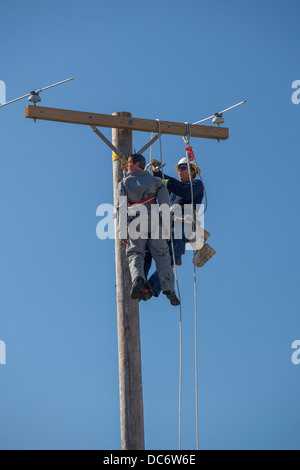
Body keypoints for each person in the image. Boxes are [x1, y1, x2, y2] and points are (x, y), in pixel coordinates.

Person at [117, 154, 180, 306]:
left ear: (137, 164)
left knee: (135, 253)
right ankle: (169, 290)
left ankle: (138, 278)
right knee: (163, 255)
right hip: (154, 221)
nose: (127, 166)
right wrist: (166, 227)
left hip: (135, 220)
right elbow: (164, 204)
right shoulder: (156, 182)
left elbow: (122, 207)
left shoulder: (124, 183)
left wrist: (122, 231)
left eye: (129, 163)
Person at [144, 157, 204, 298]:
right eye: (179, 169)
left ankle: (153, 286)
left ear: (192, 171)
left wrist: (165, 181)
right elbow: (166, 180)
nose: (179, 172)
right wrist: (156, 172)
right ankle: (140, 281)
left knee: (172, 254)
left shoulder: (196, 185)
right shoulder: (174, 187)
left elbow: (184, 191)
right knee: (146, 248)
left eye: (183, 168)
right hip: (165, 226)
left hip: (183, 225)